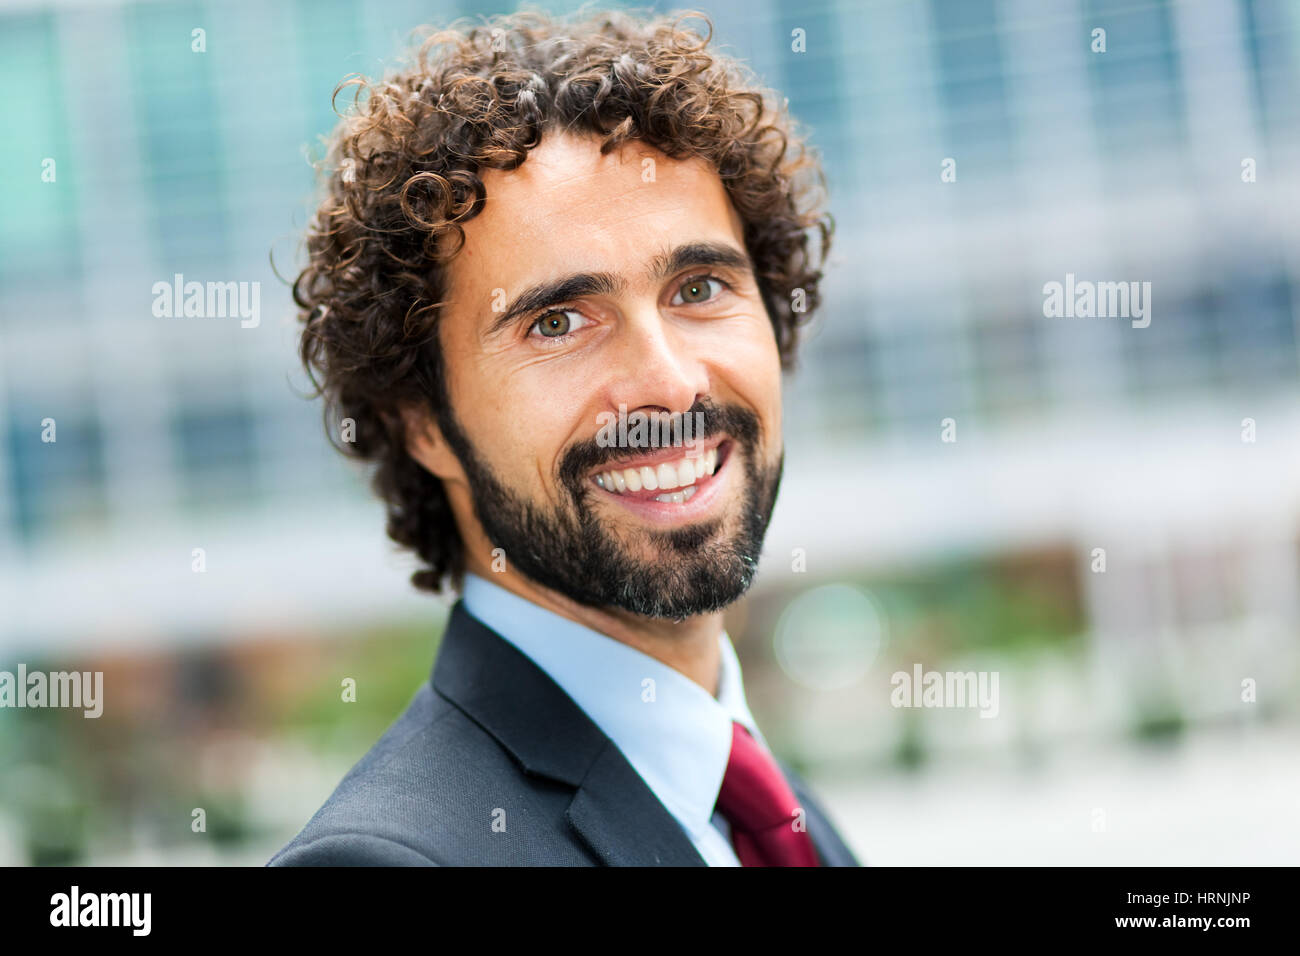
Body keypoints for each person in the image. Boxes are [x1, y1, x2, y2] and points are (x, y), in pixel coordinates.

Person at [270, 6, 858, 867]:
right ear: (422, 422)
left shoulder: (775, 814)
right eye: (557, 322)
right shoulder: (391, 862)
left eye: (699, 288)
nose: (669, 383)